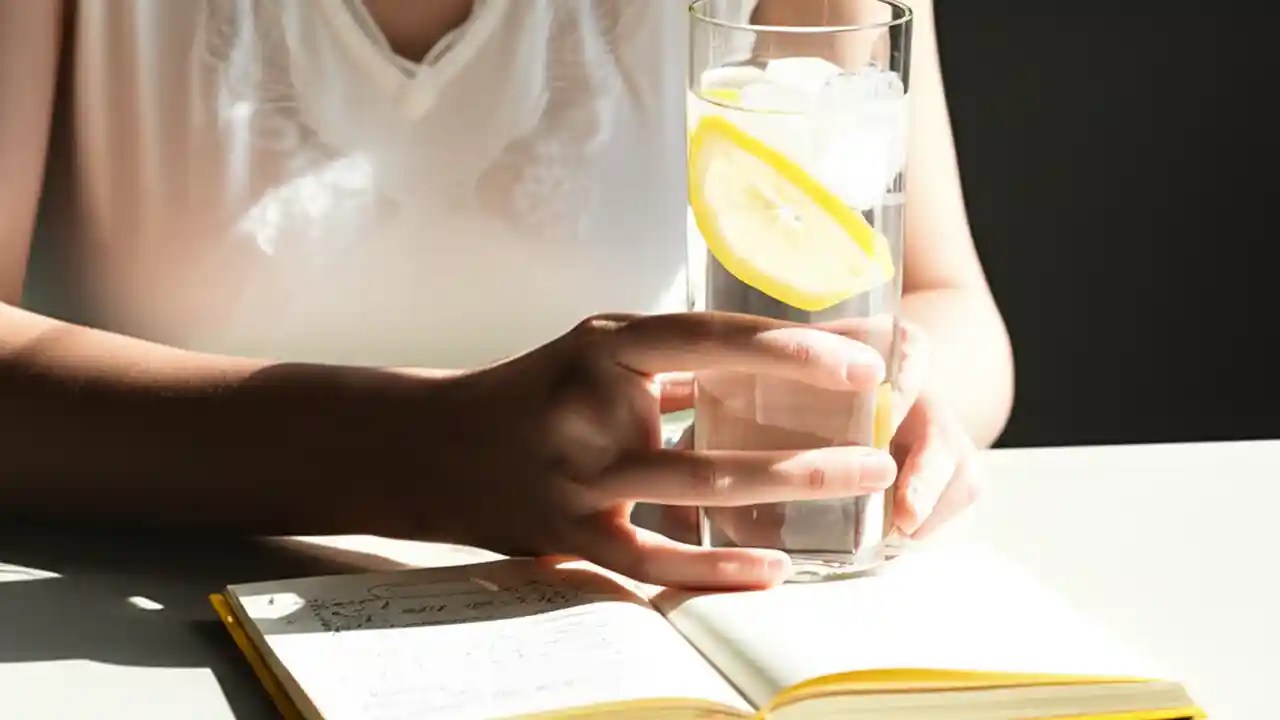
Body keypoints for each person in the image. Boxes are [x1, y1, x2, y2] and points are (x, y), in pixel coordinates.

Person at [0, 0, 1012, 590]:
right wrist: (412, 452)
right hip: (163, 621)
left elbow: (943, 303)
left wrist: (895, 409)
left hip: (653, 631)